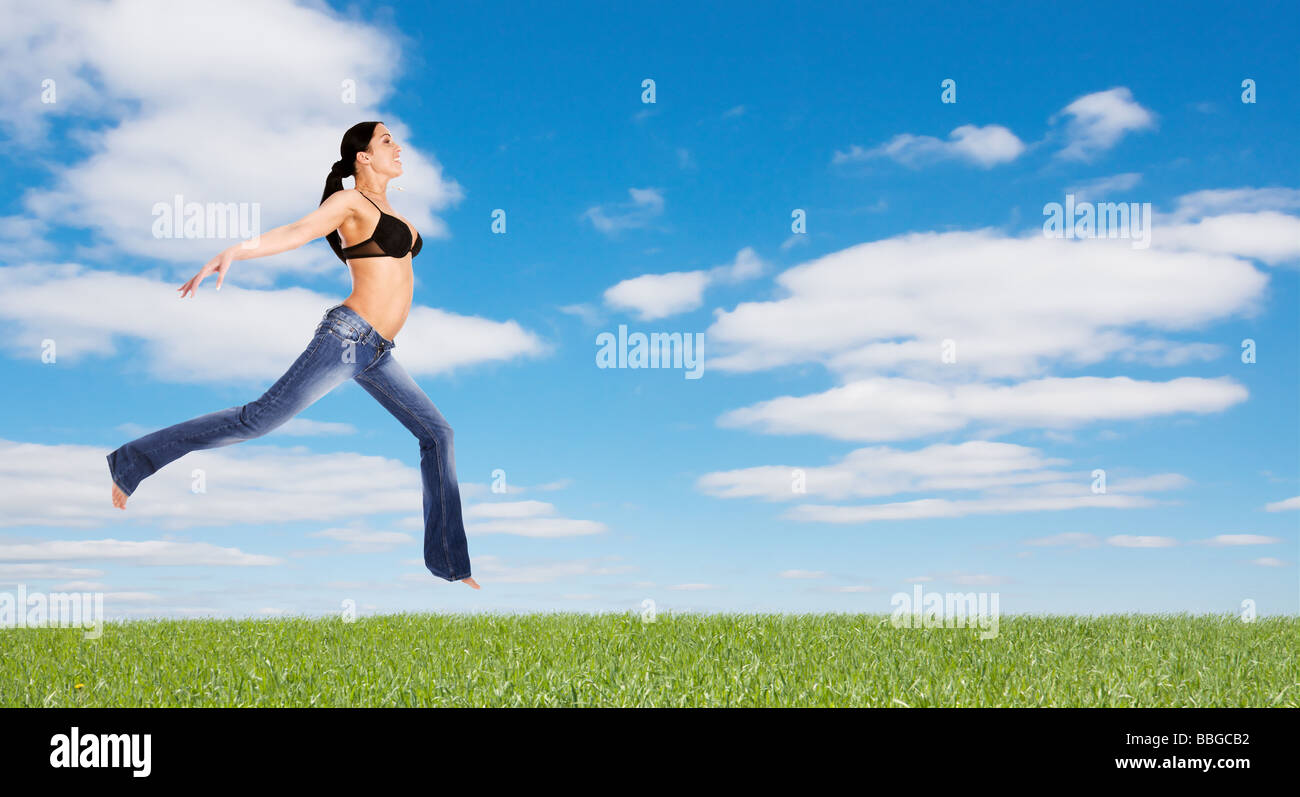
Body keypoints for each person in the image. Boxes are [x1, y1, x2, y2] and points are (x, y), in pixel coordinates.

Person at [106, 121, 479, 589]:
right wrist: (235, 252)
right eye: (386, 140)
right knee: (255, 420)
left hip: (378, 352)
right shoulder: (348, 203)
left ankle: (449, 563)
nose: (397, 146)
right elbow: (298, 232)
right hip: (346, 340)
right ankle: (131, 462)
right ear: (363, 157)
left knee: (437, 434)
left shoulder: (392, 209)